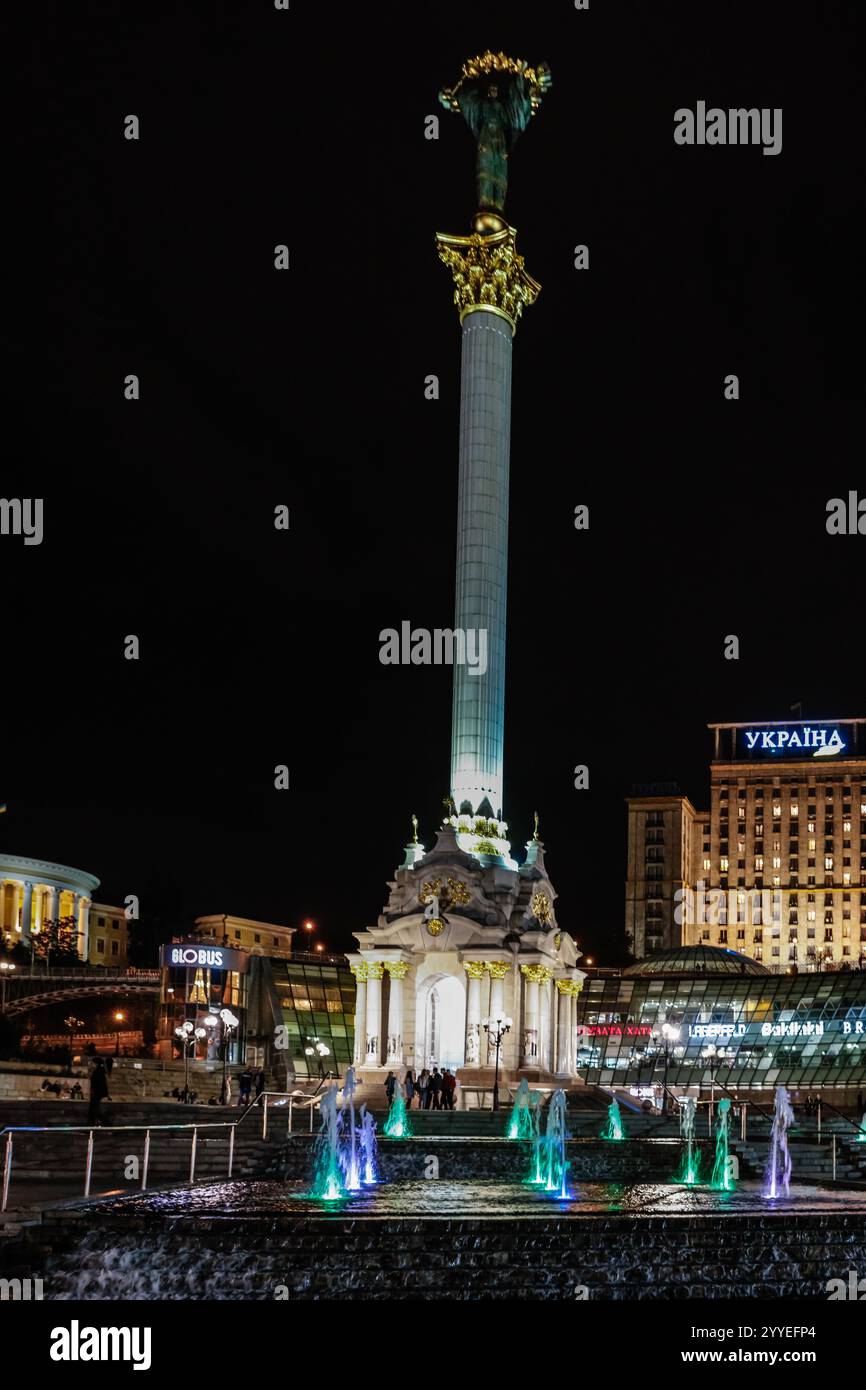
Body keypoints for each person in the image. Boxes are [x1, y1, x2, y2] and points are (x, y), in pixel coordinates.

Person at [88, 1058, 109, 1125]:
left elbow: (99, 1083)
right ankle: (93, 1124)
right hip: (97, 1093)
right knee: (95, 1110)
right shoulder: (99, 1071)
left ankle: (106, 1124)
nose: (91, 1064)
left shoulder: (98, 1072)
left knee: (95, 1110)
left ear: (96, 1064)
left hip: (96, 1094)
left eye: (92, 1063)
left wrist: (94, 1091)